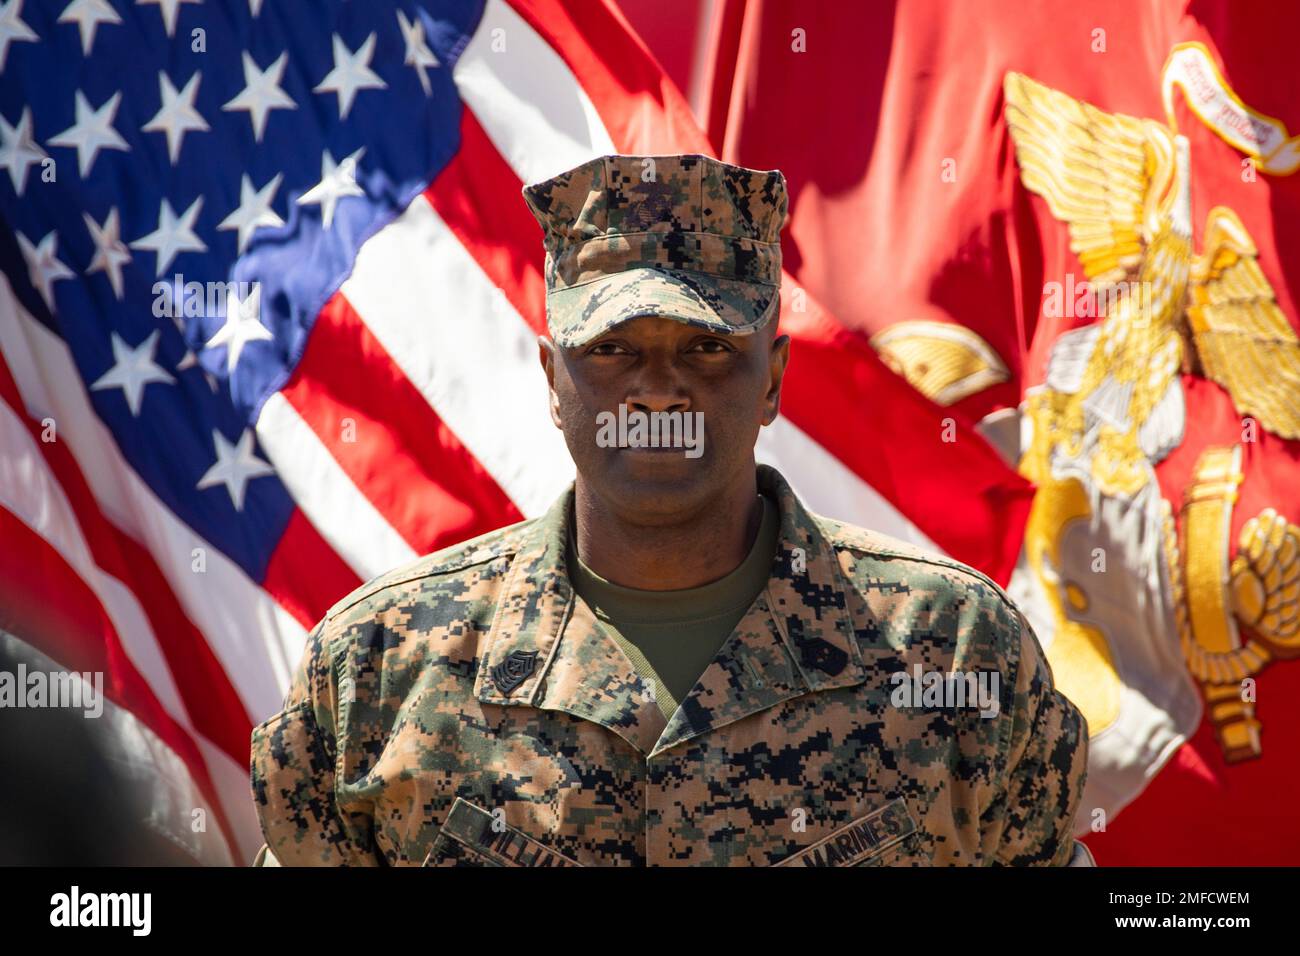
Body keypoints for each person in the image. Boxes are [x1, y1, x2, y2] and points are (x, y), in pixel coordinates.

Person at [250, 153, 1092, 867]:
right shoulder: (382, 666)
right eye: (612, 349)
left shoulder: (952, 652)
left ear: (771, 379)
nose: (657, 389)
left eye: (708, 347)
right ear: (553, 379)